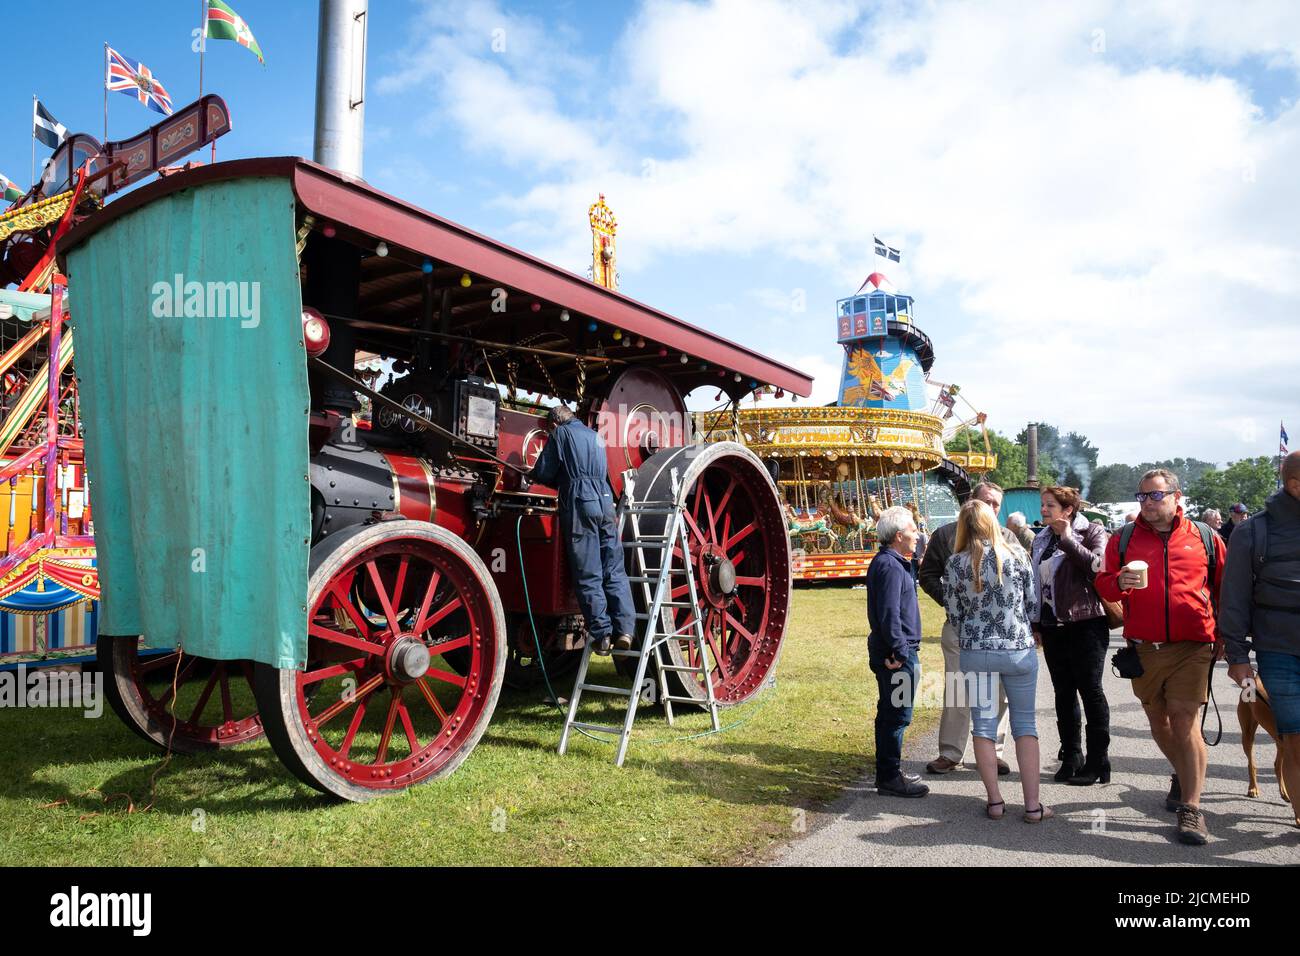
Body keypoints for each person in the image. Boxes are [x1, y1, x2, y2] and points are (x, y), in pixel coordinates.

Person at [1095, 469, 1226, 845]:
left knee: (1185, 721)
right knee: (1159, 722)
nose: (1148, 503)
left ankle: (1192, 808)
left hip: (1193, 645)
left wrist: (1225, 635)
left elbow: (1224, 587)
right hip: (1145, 647)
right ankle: (1185, 771)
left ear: (1176, 496)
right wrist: (1118, 582)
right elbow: (1102, 582)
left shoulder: (1204, 536)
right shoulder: (1123, 539)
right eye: (1142, 497)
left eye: (1155, 496)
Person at [943, 500, 1051, 821]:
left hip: (977, 651)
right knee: (1025, 726)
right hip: (1017, 649)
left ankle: (994, 802)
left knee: (984, 726)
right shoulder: (1018, 556)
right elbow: (1033, 605)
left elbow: (954, 613)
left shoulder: (956, 564)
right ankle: (1032, 806)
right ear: (993, 522)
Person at [1220, 451, 1300, 830]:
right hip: (1280, 655)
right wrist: (1237, 656)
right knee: (1295, 745)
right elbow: (1233, 596)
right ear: (1294, 484)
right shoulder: (1252, 531)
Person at [918, 481, 1020, 776]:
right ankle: (950, 753)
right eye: (985, 501)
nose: (990, 508)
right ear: (970, 503)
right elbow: (928, 575)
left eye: (996, 504)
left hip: (998, 631)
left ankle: (995, 753)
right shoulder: (946, 535)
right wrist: (951, 603)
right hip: (959, 628)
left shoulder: (1008, 537)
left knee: (998, 692)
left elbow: (1022, 583)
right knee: (958, 689)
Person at [529, 404, 634, 656]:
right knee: (614, 569)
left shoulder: (561, 434)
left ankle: (602, 635)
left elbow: (544, 471)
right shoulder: (595, 435)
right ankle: (626, 630)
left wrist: (531, 474)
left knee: (589, 572)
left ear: (554, 423)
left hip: (580, 502)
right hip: (605, 501)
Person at [1031, 486, 1112, 785]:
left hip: (1086, 623)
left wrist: (1067, 539)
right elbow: (1036, 584)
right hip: (1053, 626)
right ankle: (1071, 755)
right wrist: (1036, 622)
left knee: (1090, 691)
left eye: (1049, 505)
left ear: (1068, 509)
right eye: (1042, 505)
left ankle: (1097, 761)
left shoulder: (1092, 531)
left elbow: (1097, 567)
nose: (1043, 510)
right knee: (1063, 693)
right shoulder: (1040, 539)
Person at [867, 506, 929, 797]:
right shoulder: (890, 566)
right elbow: (889, 614)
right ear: (899, 535)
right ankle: (890, 777)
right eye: (914, 530)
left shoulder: (890, 562)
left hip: (895, 650)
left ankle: (889, 772)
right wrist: (901, 651)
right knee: (897, 715)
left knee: (890, 712)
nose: (917, 535)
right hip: (898, 655)